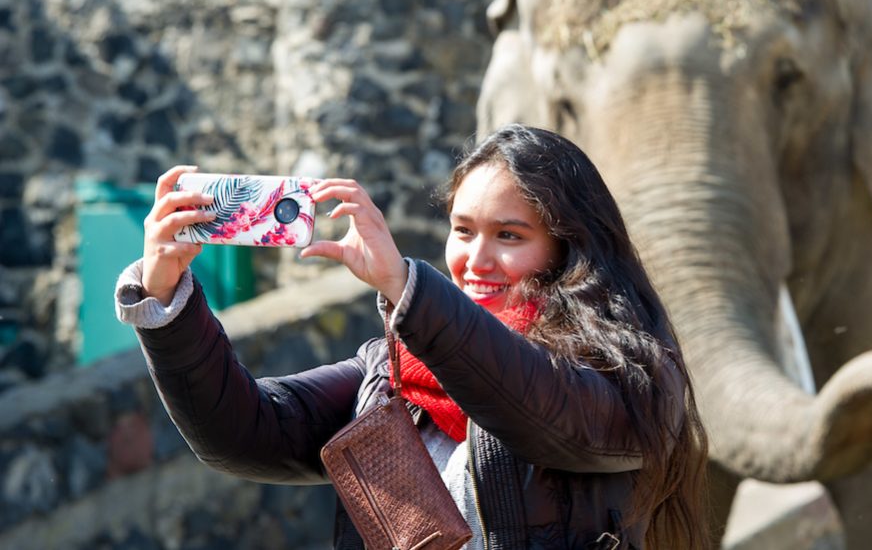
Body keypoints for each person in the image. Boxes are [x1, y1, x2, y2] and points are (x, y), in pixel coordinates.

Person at [115, 124, 709, 549]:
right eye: (463, 229)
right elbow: (246, 432)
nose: (477, 259)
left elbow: (537, 407)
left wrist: (406, 289)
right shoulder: (393, 369)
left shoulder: (630, 375)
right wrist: (166, 295)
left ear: (567, 247)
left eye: (509, 235)